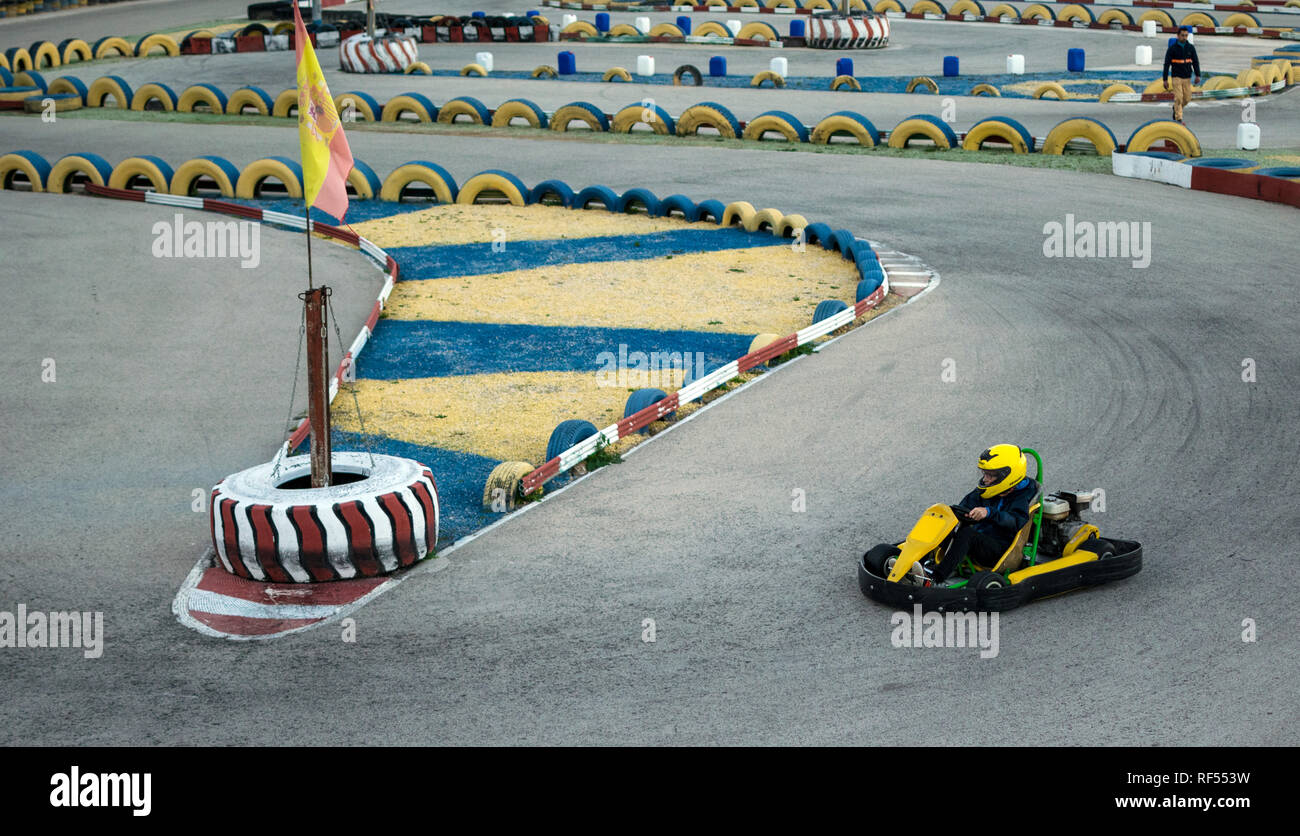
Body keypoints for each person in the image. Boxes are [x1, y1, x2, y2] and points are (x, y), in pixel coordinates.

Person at [929, 444, 1037, 583]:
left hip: (1000, 550)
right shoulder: (988, 490)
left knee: (967, 534)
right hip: (980, 540)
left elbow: (1016, 522)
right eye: (984, 473)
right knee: (943, 524)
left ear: (1008, 475)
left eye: (991, 475)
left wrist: (989, 513)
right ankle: (911, 563)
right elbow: (965, 505)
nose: (985, 479)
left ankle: (935, 577)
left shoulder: (1021, 497)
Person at [1163, 27, 1202, 125]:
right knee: (1179, 97)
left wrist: (1198, 75)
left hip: (1187, 77)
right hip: (1176, 77)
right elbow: (1166, 64)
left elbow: (1195, 62)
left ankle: (1176, 108)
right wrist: (1165, 79)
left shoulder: (1191, 48)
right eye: (1182, 35)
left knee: (1187, 98)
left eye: (1186, 35)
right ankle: (1178, 118)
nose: (1184, 37)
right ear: (1178, 36)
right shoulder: (1172, 49)